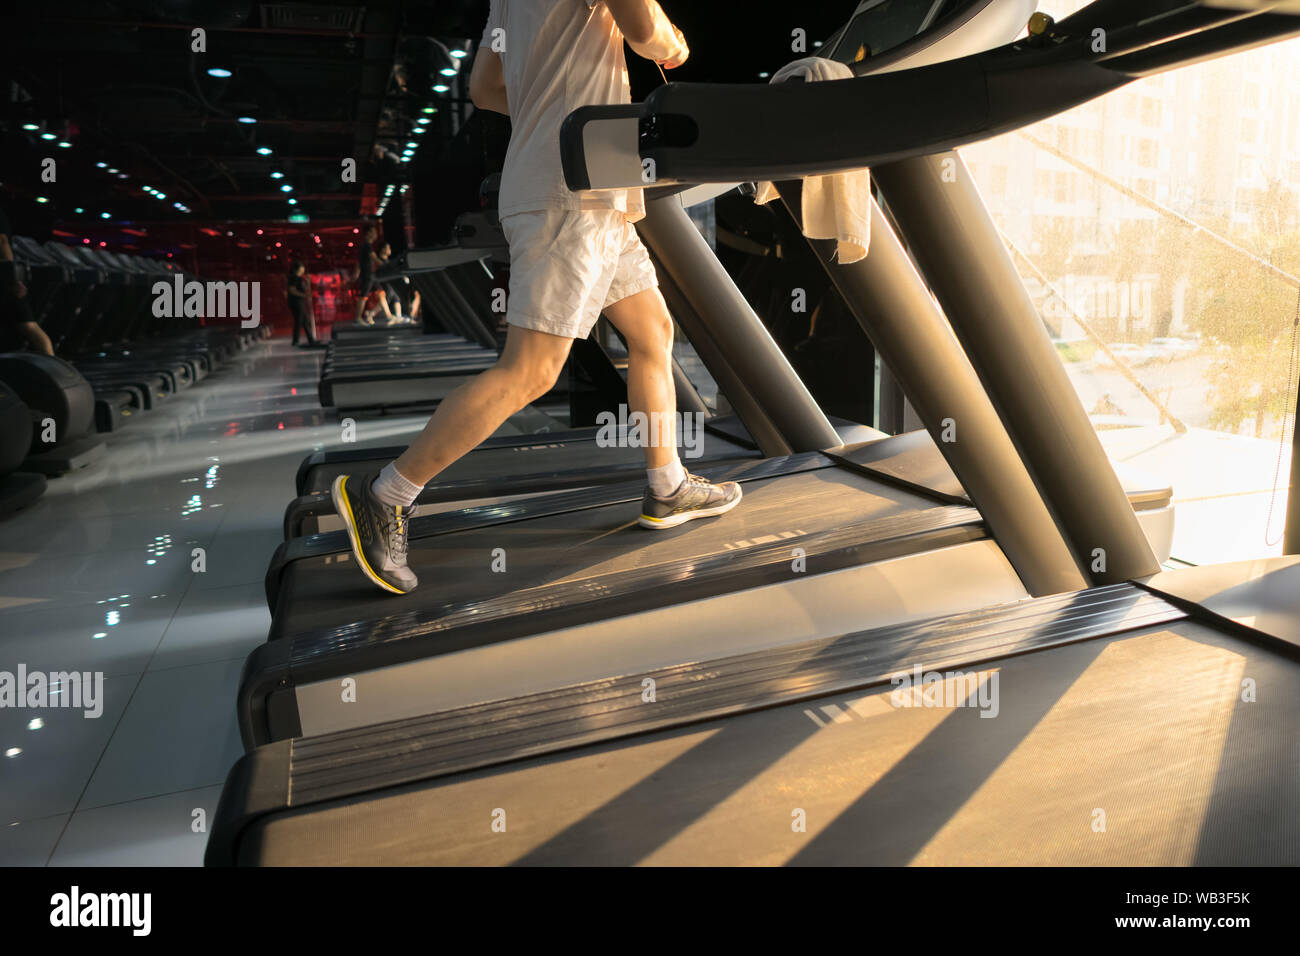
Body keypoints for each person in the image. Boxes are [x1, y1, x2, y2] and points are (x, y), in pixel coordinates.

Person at [330, 0, 741, 595]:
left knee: (652, 332)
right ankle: (385, 494)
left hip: (585, 186)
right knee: (531, 371)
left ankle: (667, 485)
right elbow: (648, 31)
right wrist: (674, 44)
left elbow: (484, 87)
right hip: (571, 192)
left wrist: (548, 99)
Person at [0, 205, 54, 355]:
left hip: (3, 278)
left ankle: (53, 368)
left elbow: (2, 242)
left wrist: (10, 278)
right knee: (27, 325)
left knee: (27, 325)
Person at [353, 225, 383, 324]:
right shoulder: (367, 245)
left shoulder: (365, 246)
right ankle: (357, 318)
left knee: (382, 293)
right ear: (368, 233)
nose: (376, 235)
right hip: (367, 274)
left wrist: (356, 273)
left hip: (371, 275)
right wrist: (385, 265)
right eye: (374, 232)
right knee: (364, 296)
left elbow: (359, 262)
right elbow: (374, 258)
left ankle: (371, 314)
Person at [287, 261, 317, 346]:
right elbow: (292, 290)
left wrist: (307, 282)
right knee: (299, 321)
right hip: (295, 302)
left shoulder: (300, 278)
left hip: (300, 301)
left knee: (304, 321)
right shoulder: (294, 278)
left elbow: (304, 288)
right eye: (302, 267)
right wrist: (304, 295)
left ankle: (310, 339)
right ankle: (296, 340)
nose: (304, 269)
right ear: (298, 269)